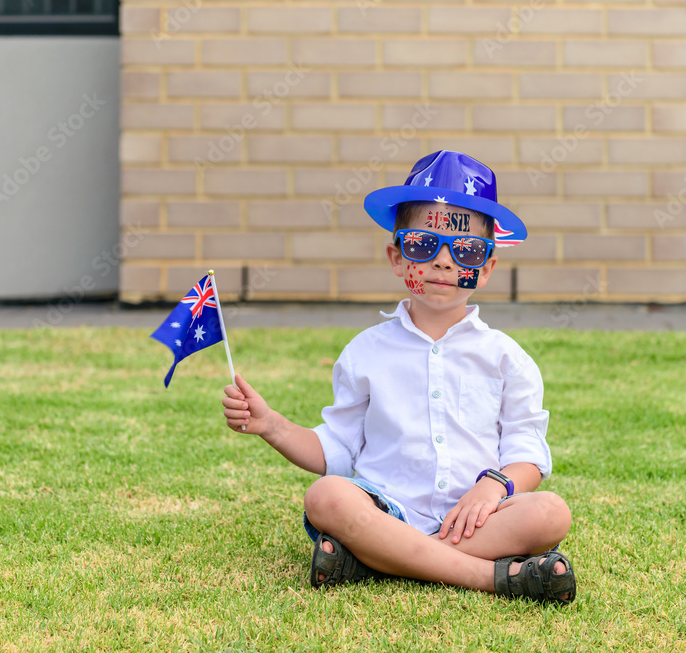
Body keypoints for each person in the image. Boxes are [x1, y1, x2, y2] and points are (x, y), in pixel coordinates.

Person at [222, 151, 576, 604]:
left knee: (550, 513)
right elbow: (338, 450)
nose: (444, 261)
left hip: (480, 521)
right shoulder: (365, 351)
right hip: (384, 512)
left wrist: (493, 486)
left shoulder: (507, 357)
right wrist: (272, 424)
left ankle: (374, 560)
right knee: (326, 496)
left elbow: (527, 454)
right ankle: (491, 577)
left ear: (486, 267)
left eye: (465, 250)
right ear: (396, 256)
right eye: (423, 245)